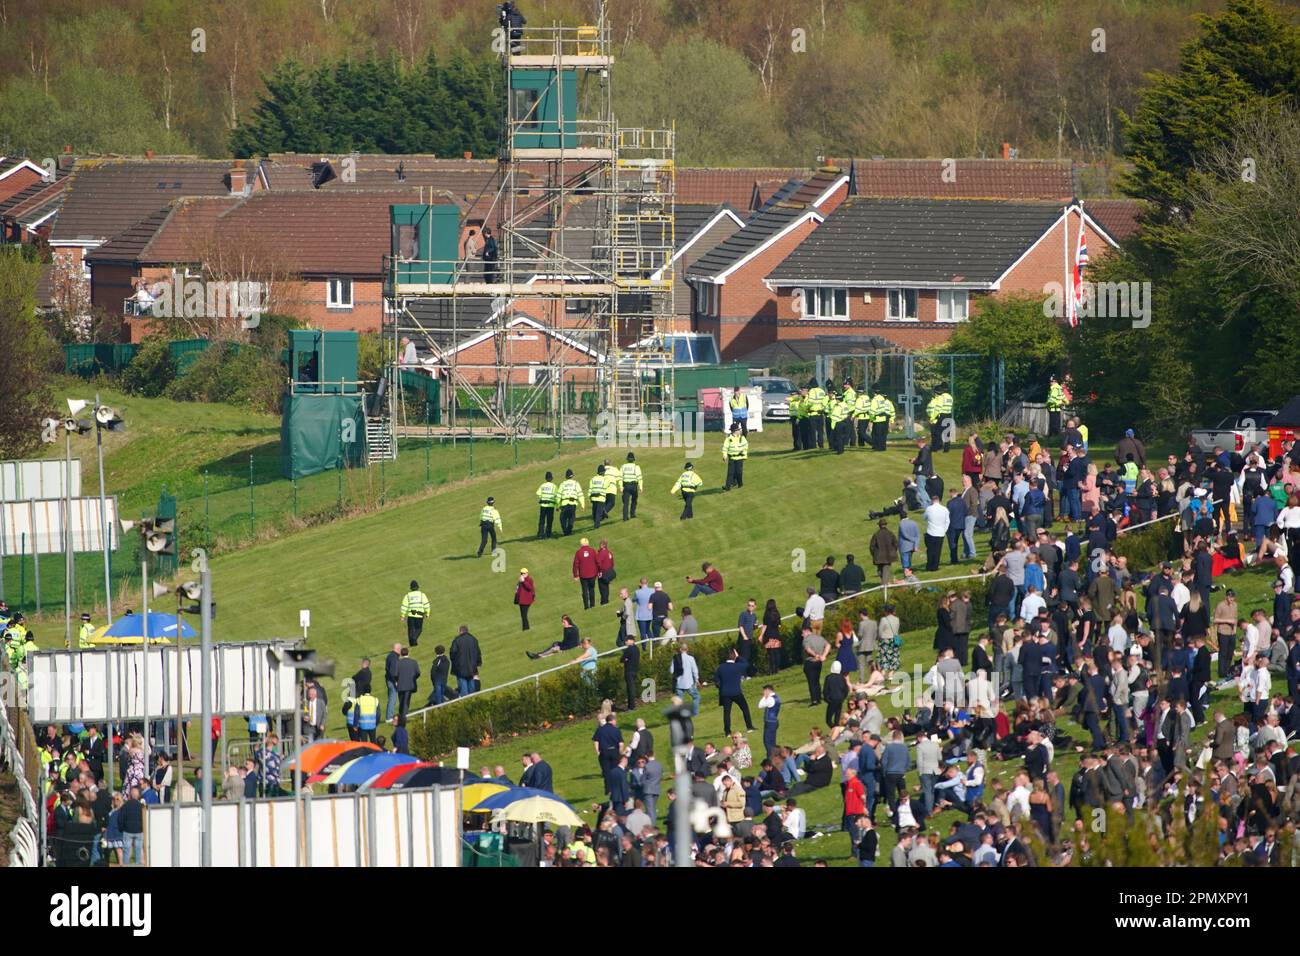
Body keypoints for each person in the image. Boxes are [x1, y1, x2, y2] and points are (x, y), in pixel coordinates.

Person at [713, 648, 755, 735]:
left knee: (727, 713)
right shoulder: (738, 666)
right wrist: (738, 656)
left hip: (725, 693)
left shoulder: (720, 667)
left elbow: (716, 681)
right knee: (745, 708)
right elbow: (747, 664)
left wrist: (722, 686)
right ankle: (749, 727)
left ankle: (727, 732)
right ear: (734, 657)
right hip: (736, 692)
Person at [450, 625, 482, 696]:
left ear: (460, 631)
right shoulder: (473, 639)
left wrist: (455, 665)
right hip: (472, 668)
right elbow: (478, 652)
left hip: (461, 669)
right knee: (472, 690)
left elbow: (452, 654)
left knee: (464, 691)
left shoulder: (457, 640)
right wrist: (478, 663)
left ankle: (465, 703)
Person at [674, 642, 701, 716]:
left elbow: (671, 670)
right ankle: (695, 713)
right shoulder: (691, 658)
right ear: (687, 649)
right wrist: (697, 679)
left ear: (680, 649)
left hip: (679, 683)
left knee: (679, 701)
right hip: (689, 682)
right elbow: (694, 670)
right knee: (696, 697)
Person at [924, 496, 950, 572]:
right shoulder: (944, 509)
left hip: (931, 532)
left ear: (932, 501)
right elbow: (947, 521)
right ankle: (935, 566)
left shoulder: (929, 509)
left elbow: (924, 517)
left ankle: (929, 565)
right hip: (940, 533)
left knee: (930, 550)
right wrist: (944, 530)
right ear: (939, 501)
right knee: (938, 550)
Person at [394, 646, 420, 723]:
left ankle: (402, 716)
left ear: (401, 654)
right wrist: (413, 678)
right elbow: (418, 673)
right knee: (406, 701)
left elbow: (395, 674)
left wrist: (397, 680)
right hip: (410, 684)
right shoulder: (413, 662)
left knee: (402, 701)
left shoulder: (398, 663)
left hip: (401, 685)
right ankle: (403, 717)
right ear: (408, 653)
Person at [573, 537, 599, 610]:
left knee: (584, 591)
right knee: (592, 589)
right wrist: (598, 571)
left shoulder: (578, 552)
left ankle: (586, 606)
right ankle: (592, 605)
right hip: (592, 574)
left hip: (583, 575)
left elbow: (575, 564)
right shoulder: (592, 551)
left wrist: (575, 575)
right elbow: (597, 562)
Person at [722, 422, 749, 490]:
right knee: (730, 472)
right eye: (738, 430)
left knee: (738, 472)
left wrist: (745, 456)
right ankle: (728, 486)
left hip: (740, 458)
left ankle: (740, 484)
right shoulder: (729, 439)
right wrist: (724, 456)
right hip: (732, 458)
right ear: (735, 431)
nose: (740, 431)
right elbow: (725, 448)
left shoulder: (742, 438)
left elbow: (745, 447)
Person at [557, 469, 584, 536]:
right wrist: (582, 505)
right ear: (572, 476)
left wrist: (557, 505)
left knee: (562, 518)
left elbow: (558, 495)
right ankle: (569, 530)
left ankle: (565, 531)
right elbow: (580, 495)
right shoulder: (576, 483)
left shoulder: (562, 484)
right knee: (571, 517)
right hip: (573, 503)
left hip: (564, 504)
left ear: (566, 476)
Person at [758, 685, 781, 760]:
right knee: (772, 741)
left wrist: (764, 696)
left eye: (764, 691)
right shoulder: (777, 697)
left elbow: (760, 705)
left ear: (767, 690)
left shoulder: (770, 699)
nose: (763, 692)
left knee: (767, 741)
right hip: (774, 721)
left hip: (769, 722)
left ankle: (770, 758)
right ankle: (776, 756)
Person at [620, 453, 643, 520]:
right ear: (633, 460)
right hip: (633, 486)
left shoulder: (623, 466)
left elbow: (621, 477)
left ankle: (625, 517)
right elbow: (639, 477)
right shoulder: (636, 467)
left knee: (626, 502)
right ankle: (632, 514)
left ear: (627, 459)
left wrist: (621, 487)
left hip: (626, 485)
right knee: (634, 500)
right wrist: (641, 487)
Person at [620, 635, 640, 711]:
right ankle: (632, 705)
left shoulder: (629, 650)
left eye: (626, 640)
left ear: (631, 640)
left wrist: (626, 659)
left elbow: (622, 659)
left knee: (630, 689)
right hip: (635, 670)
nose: (625, 642)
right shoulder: (637, 649)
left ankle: (631, 706)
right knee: (632, 687)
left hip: (629, 671)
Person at [535, 471, 558, 538]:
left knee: (542, 520)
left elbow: (538, 493)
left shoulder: (542, 485)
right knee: (549, 520)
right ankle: (548, 534)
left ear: (545, 478)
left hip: (543, 505)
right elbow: (556, 496)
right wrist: (557, 506)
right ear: (551, 478)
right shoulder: (554, 486)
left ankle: (540, 534)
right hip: (550, 505)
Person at [596, 540, 615, 606]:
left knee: (602, 587)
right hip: (609, 571)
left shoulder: (602, 553)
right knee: (606, 587)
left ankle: (604, 601)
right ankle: (606, 600)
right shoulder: (609, 552)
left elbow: (599, 563)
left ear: (602, 545)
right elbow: (612, 563)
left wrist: (600, 572)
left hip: (603, 572)